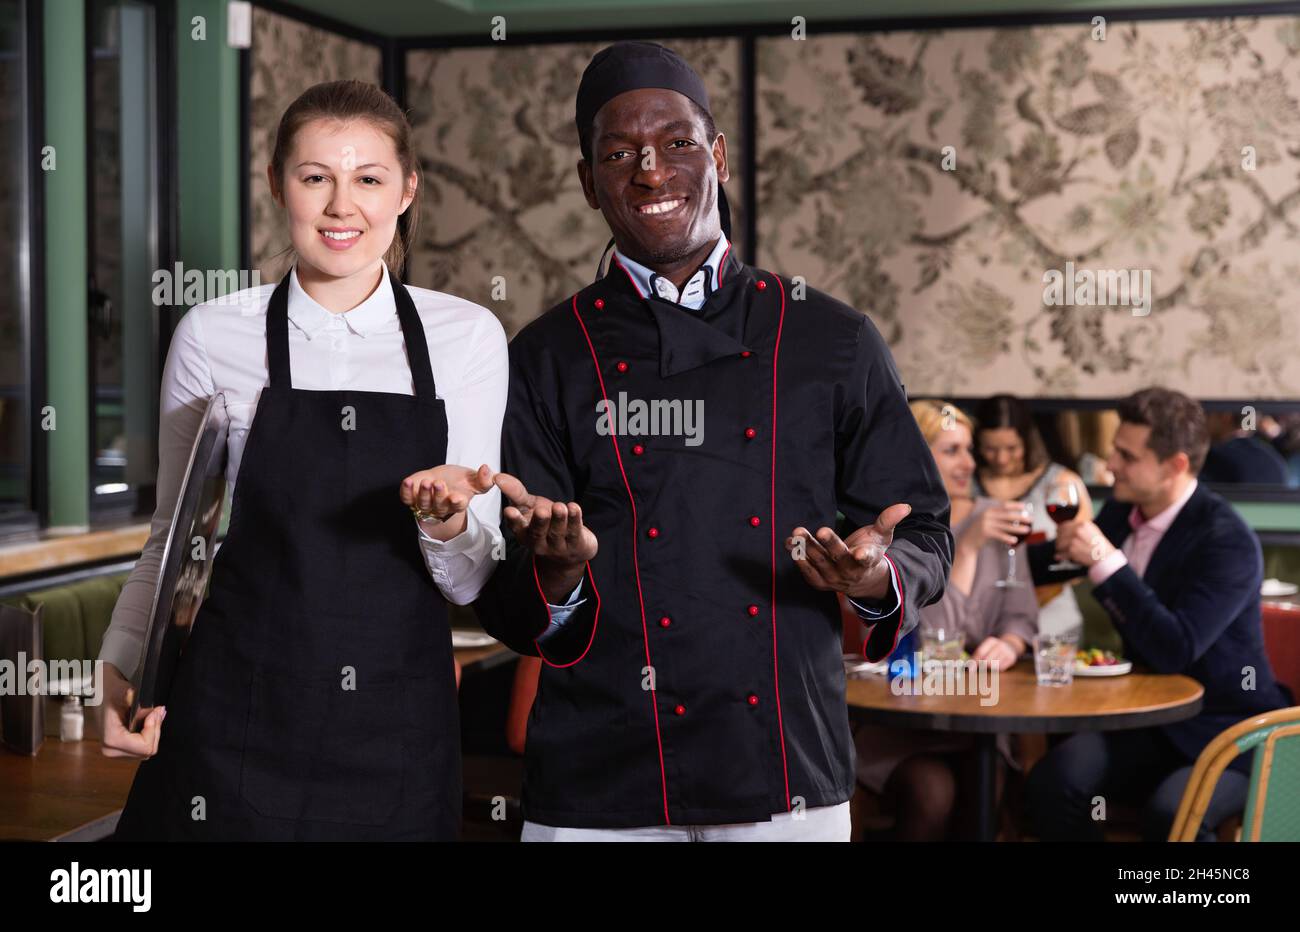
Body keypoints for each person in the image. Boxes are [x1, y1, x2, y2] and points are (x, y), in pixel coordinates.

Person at [472, 41, 953, 841]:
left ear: (718, 156)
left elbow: (926, 532)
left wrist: (874, 576)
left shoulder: (831, 338)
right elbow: (507, 583)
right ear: (590, 184)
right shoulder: (545, 356)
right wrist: (551, 572)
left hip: (785, 762)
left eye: (676, 144)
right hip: (600, 770)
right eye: (619, 154)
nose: (651, 173)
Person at [98, 80, 507, 840]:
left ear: (407, 190)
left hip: (397, 731)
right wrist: (121, 672)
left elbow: (471, 577)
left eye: (369, 179)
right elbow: (173, 539)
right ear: (278, 185)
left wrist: (446, 524)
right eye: (315, 177)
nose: (340, 206)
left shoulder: (467, 338)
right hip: (235, 716)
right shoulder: (213, 334)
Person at [1025, 387, 1294, 841]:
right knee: (1055, 782)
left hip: (1225, 727)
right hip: (1147, 720)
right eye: (1114, 450)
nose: (1110, 465)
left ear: (1175, 466)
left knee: (1172, 814)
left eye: (1127, 456)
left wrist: (1107, 561)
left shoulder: (1226, 540)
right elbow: (1052, 561)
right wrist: (989, 544)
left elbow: (1174, 648)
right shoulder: (1124, 511)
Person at [853, 400, 1038, 840]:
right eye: (952, 449)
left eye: (969, 449)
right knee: (932, 790)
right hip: (904, 721)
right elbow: (931, 637)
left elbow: (1022, 616)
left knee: (986, 782)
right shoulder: (892, 529)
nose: (970, 462)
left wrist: (1011, 643)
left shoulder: (1001, 518)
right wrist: (968, 548)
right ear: (918, 454)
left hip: (979, 716)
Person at [972, 394, 1091, 636]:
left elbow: (1083, 555)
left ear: (1027, 440)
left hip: (1051, 620)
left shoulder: (1061, 481)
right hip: (980, 619)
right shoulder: (964, 483)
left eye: (1011, 448)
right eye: (990, 449)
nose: (1002, 458)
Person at [1200, 410, 1290, 485]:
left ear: (1225, 416)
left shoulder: (1209, 457)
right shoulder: (1276, 462)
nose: (1203, 421)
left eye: (1208, 414)